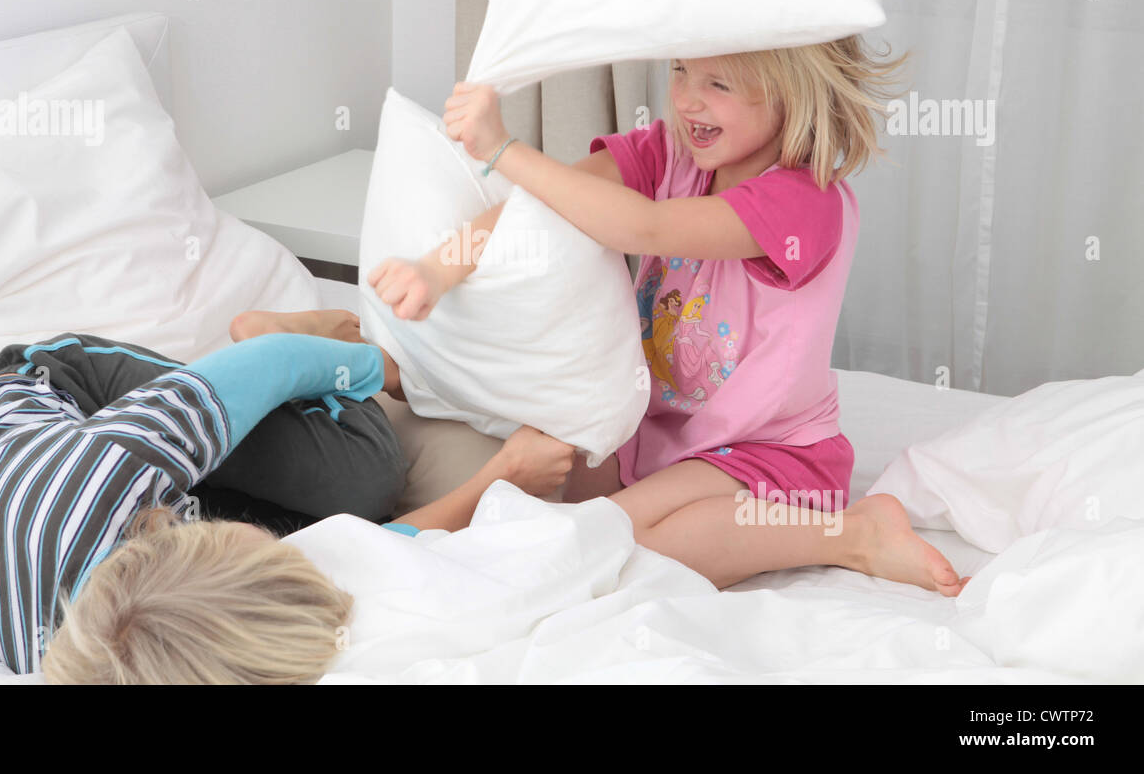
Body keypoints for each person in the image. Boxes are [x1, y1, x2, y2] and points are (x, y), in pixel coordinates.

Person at [368, 38, 973, 598]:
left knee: (627, 548)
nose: (687, 99)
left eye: (720, 85)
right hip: (650, 432)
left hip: (767, 451)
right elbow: (546, 207)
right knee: (579, 526)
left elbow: (644, 226)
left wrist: (504, 149)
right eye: (681, 71)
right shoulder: (669, 153)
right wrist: (440, 267)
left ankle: (857, 534)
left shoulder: (806, 201)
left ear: (794, 93)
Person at [0, 317, 574, 682]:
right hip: (65, 521)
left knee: (366, 474)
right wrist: (500, 482)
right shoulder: (98, 659)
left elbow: (277, 360)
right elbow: (354, 553)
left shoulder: (123, 460)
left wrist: (389, 370)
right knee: (349, 519)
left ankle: (275, 340)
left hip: (70, 394)